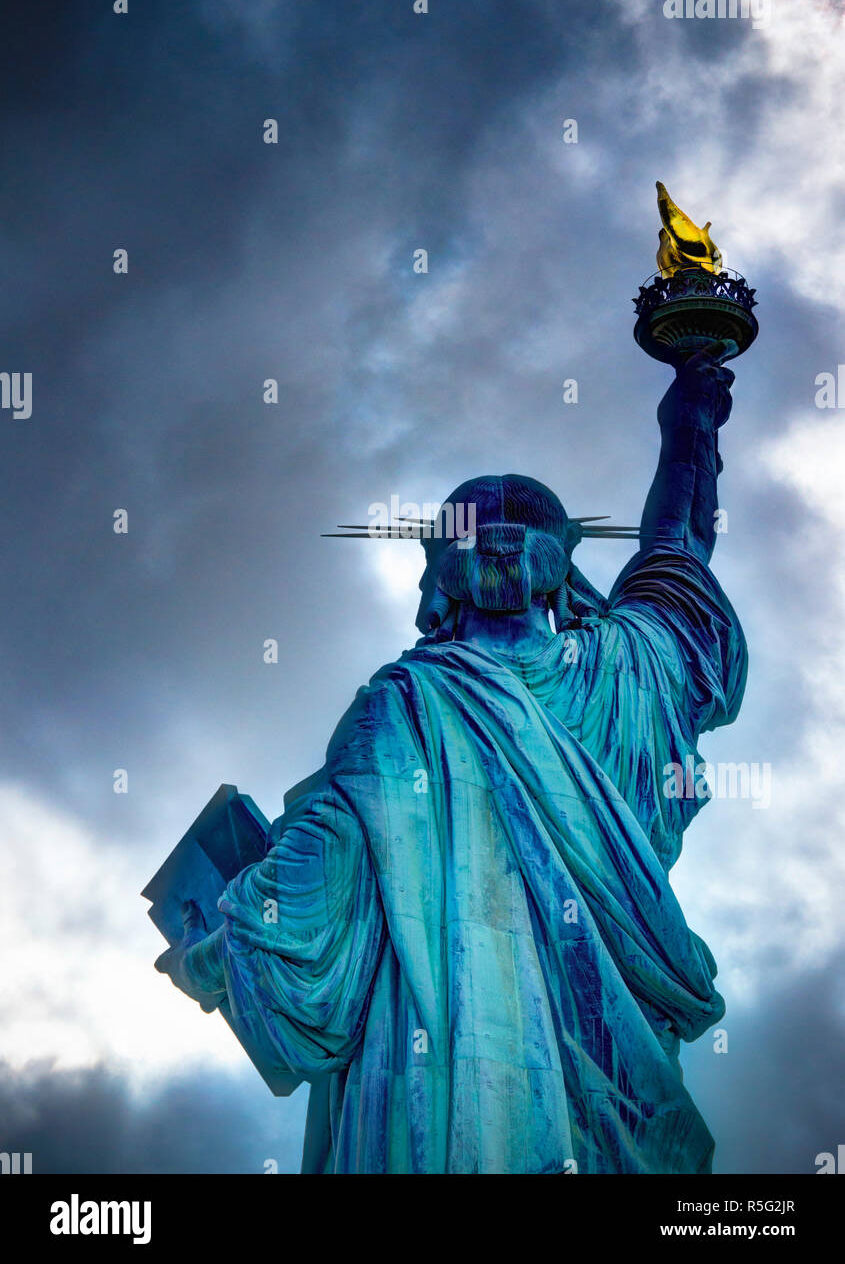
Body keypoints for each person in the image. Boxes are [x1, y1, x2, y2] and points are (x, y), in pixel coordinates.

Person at [159, 344, 747, 1174]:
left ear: (560, 566)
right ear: (440, 575)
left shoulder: (621, 674)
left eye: (523, 528)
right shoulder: (403, 704)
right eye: (483, 533)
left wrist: (693, 407)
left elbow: (677, 546)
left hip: (534, 1062)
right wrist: (219, 949)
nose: (501, 543)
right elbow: (318, 874)